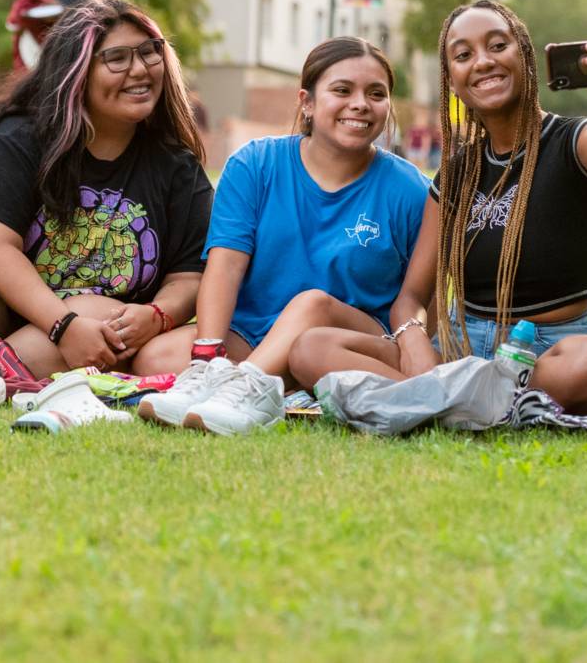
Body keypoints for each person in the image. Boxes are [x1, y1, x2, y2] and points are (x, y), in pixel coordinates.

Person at [291, 0, 587, 397]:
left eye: (498, 46)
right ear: (453, 79)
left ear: (526, 56)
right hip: (458, 350)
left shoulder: (573, 142)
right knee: (312, 348)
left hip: (546, 354)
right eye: (464, 55)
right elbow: (411, 297)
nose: (482, 62)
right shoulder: (456, 174)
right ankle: (460, 399)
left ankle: (447, 400)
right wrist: (415, 344)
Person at [0, 0, 212, 382]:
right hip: (0, 317)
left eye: (150, 52)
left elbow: (189, 275)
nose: (141, 69)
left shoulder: (175, 166)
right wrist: (63, 325)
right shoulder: (9, 141)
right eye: (117, 58)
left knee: (95, 309)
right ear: (75, 71)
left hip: (104, 329)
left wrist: (157, 315)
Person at [138, 37, 431, 435]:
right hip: (255, 333)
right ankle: (275, 382)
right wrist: (206, 358)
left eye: (376, 93)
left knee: (311, 305)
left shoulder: (411, 190)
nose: (361, 103)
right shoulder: (255, 164)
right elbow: (223, 270)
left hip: (351, 341)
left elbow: (422, 301)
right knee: (156, 357)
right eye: (342, 90)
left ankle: (253, 388)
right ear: (307, 102)